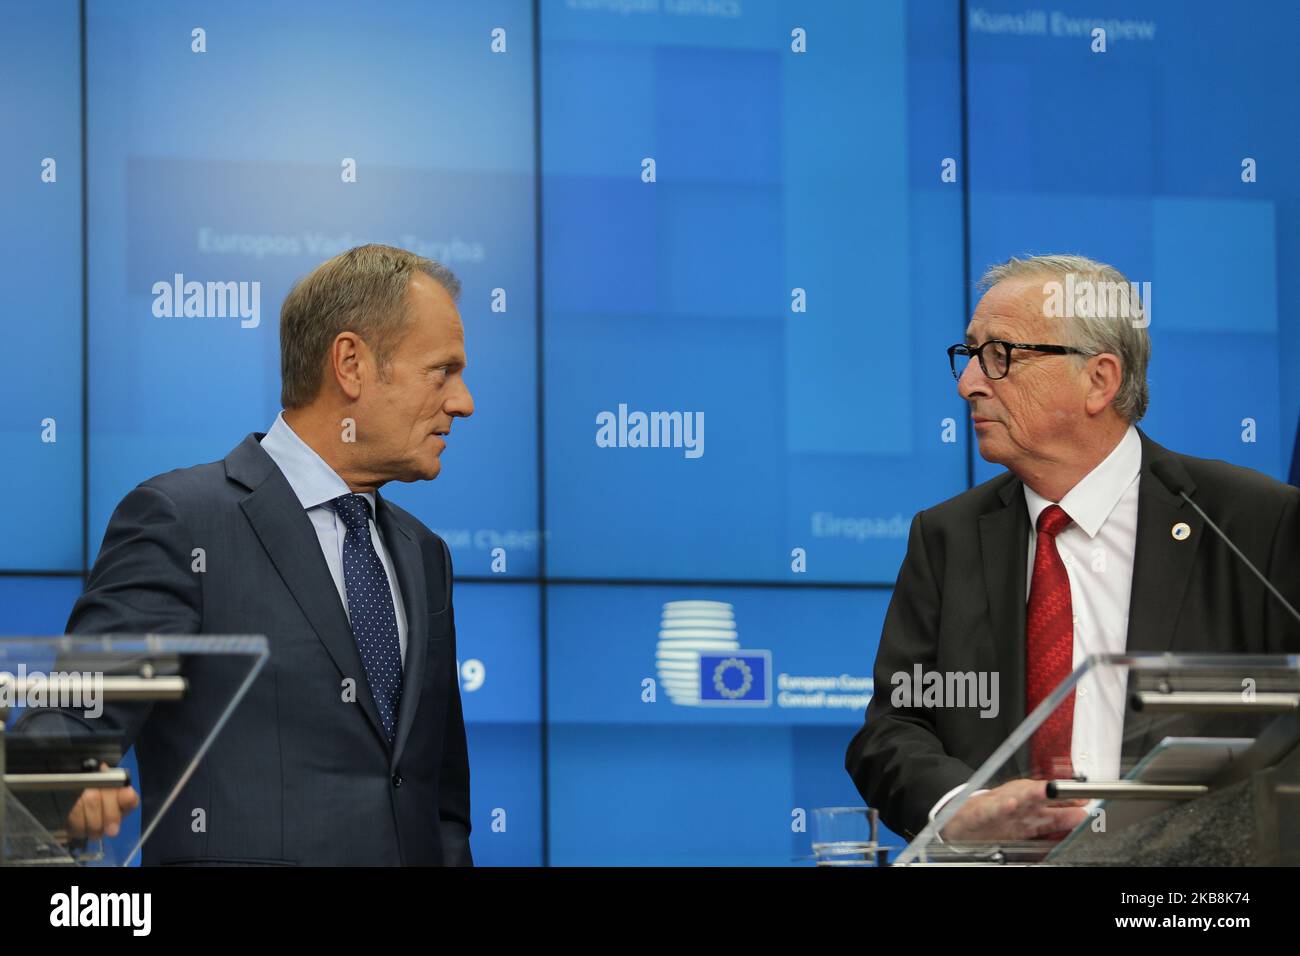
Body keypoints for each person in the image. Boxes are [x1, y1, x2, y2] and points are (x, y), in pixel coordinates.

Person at [20, 244, 475, 865]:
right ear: (351, 364)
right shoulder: (184, 523)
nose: (462, 401)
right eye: (442, 372)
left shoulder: (426, 555)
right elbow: (68, 727)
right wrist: (55, 783)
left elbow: (441, 806)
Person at [845, 254, 1300, 847]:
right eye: (970, 355)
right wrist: (967, 809)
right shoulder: (947, 536)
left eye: (1000, 356)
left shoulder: (1252, 521)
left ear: (1099, 380)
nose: (968, 383)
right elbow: (895, 727)